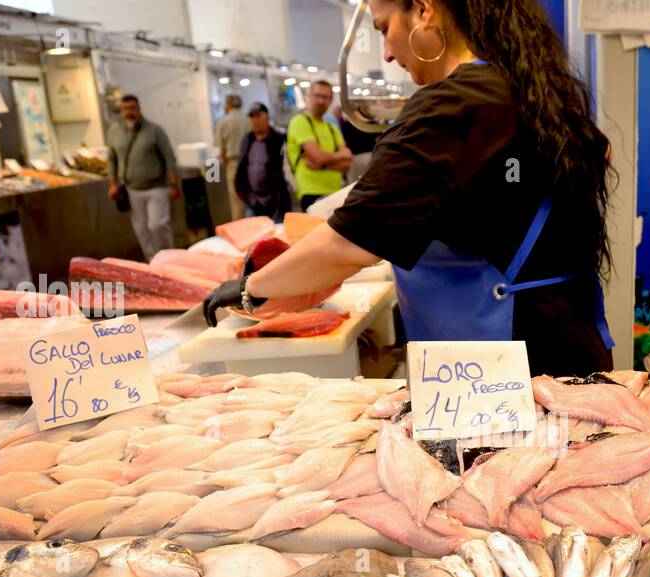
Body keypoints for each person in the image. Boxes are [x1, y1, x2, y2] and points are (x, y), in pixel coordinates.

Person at [203, 0, 614, 375]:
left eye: (383, 29)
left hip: (511, 370)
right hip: (569, 346)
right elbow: (601, 153)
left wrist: (249, 290)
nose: (386, 53)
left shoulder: (453, 104)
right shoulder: (524, 88)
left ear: (423, 11)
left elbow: (347, 245)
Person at [106, 94, 180, 259]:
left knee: (157, 225)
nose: (129, 112)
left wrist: (173, 184)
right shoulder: (114, 131)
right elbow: (111, 159)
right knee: (141, 229)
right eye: (125, 109)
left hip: (157, 187)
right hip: (131, 189)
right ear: (121, 111)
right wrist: (112, 184)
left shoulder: (154, 130)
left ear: (139, 109)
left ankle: (169, 258)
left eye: (132, 108)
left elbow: (169, 157)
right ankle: (152, 261)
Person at [286, 80, 352, 211]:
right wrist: (340, 155)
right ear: (308, 97)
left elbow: (347, 163)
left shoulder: (332, 127)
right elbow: (318, 157)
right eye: (317, 96)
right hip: (311, 193)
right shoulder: (300, 122)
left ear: (331, 100)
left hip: (336, 191)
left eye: (325, 97)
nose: (321, 101)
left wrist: (322, 164)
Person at [234, 103, 291, 223]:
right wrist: (247, 196)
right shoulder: (247, 139)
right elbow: (242, 168)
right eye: (252, 117)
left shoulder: (279, 139)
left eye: (258, 116)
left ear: (267, 118)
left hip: (276, 202)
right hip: (252, 202)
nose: (255, 120)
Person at [215, 93, 250, 221]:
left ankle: (241, 233)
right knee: (253, 198)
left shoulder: (223, 122)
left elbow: (221, 151)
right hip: (252, 163)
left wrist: (225, 162)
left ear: (228, 104)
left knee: (237, 201)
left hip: (234, 164)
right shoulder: (248, 119)